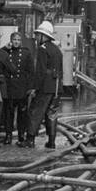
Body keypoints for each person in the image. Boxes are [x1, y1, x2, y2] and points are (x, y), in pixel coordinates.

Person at [27, 20, 63, 148]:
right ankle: (51, 141)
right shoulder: (57, 50)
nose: (36, 37)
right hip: (57, 87)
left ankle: (30, 140)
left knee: (35, 112)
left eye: (38, 35)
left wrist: (35, 88)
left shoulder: (42, 49)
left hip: (45, 87)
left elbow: (40, 71)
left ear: (44, 36)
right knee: (52, 114)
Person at [2, 31, 34, 146]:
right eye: (14, 40)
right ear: (11, 40)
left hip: (22, 87)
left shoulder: (26, 53)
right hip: (9, 87)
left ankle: (21, 134)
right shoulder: (6, 52)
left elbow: (31, 72)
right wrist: (4, 48)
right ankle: (8, 135)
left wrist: (30, 88)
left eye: (18, 40)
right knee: (8, 113)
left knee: (22, 113)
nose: (16, 42)